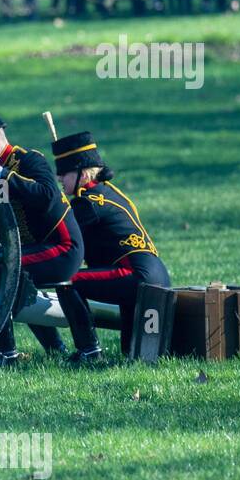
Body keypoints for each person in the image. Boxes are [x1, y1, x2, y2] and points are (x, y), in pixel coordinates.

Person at [0, 99, 91, 365]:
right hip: (31, 250)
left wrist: (0, 174)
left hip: (61, 249)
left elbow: (46, 195)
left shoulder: (28, 160)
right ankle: (48, 346)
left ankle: (2, 351)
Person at [52, 132, 170, 358]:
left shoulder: (87, 203)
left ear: (83, 173)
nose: (59, 177)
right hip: (155, 275)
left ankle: (89, 350)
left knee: (66, 281)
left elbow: (58, 236)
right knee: (132, 355)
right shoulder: (109, 192)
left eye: (64, 172)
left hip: (135, 275)